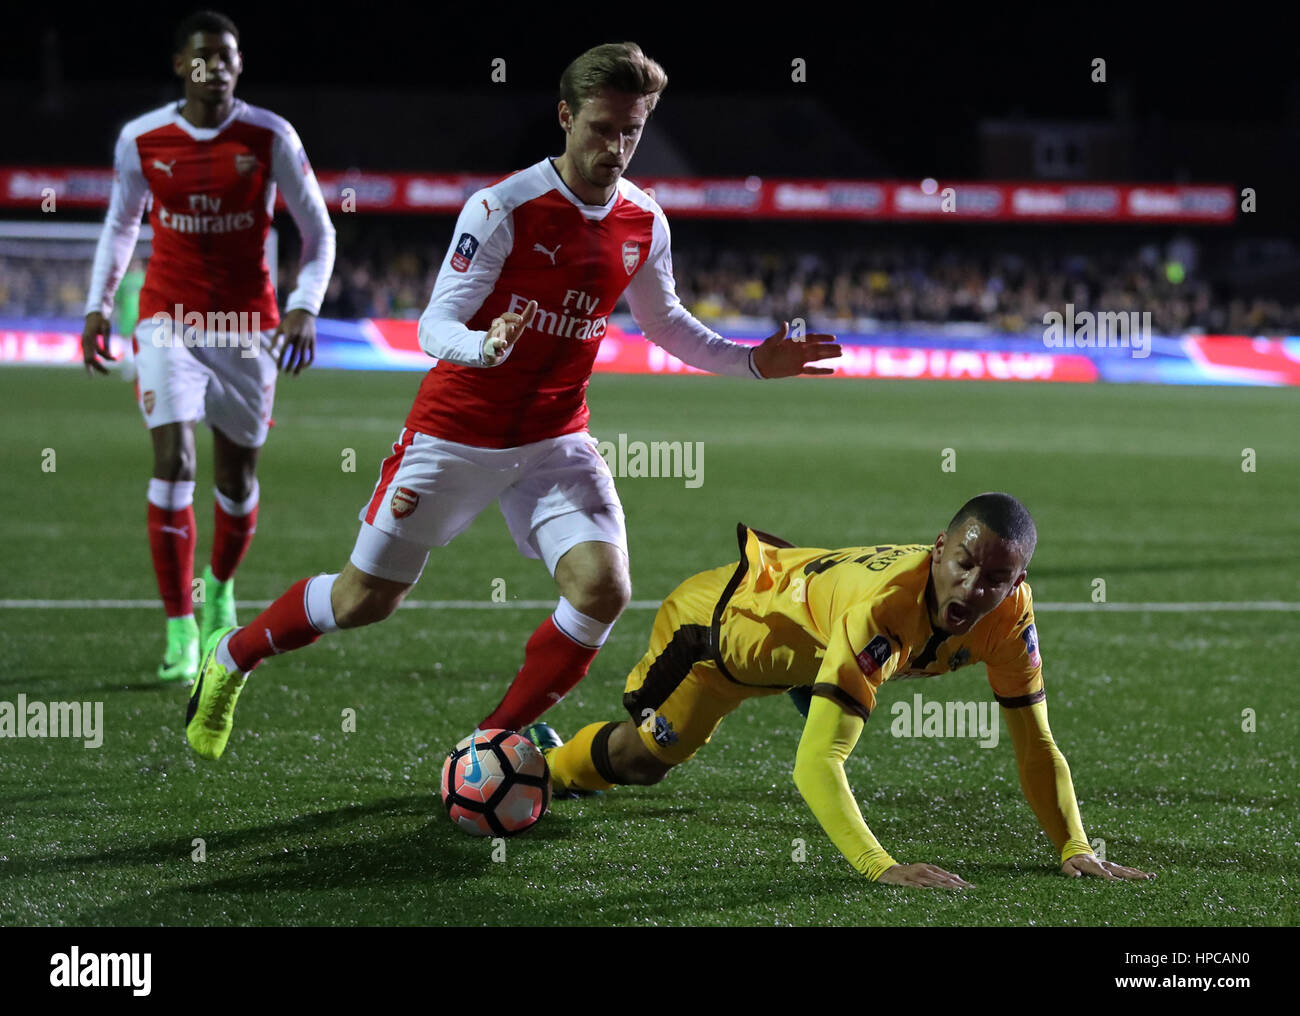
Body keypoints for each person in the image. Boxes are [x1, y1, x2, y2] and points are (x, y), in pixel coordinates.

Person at [183, 40, 839, 761]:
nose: (616, 147)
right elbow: (435, 325)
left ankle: (488, 742)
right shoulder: (502, 208)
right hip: (455, 435)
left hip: (556, 443)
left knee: (603, 589)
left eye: (633, 130)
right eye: (602, 127)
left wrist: (752, 362)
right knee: (360, 602)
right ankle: (231, 657)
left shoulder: (644, 221)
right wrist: (483, 345)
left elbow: (665, 324)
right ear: (565, 116)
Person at [528, 493, 1154, 889]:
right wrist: (880, 865)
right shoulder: (885, 611)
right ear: (940, 549)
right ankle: (542, 766)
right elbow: (814, 764)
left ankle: (543, 761)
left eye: (995, 578)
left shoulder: (1011, 618)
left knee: (827, 693)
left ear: (1018, 580)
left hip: (808, 649)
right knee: (644, 761)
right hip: (721, 633)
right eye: (963, 563)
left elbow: (1034, 743)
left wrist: (1074, 844)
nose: (972, 587)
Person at [82, 10, 335, 683]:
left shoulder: (270, 135)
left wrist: (304, 307)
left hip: (248, 329)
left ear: (239, 65)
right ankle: (179, 625)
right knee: (174, 460)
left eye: (227, 56)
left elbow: (319, 232)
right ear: (180, 66)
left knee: (237, 477)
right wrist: (98, 305)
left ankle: (220, 586)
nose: (216, 67)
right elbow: (120, 227)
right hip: (168, 322)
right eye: (203, 57)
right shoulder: (142, 139)